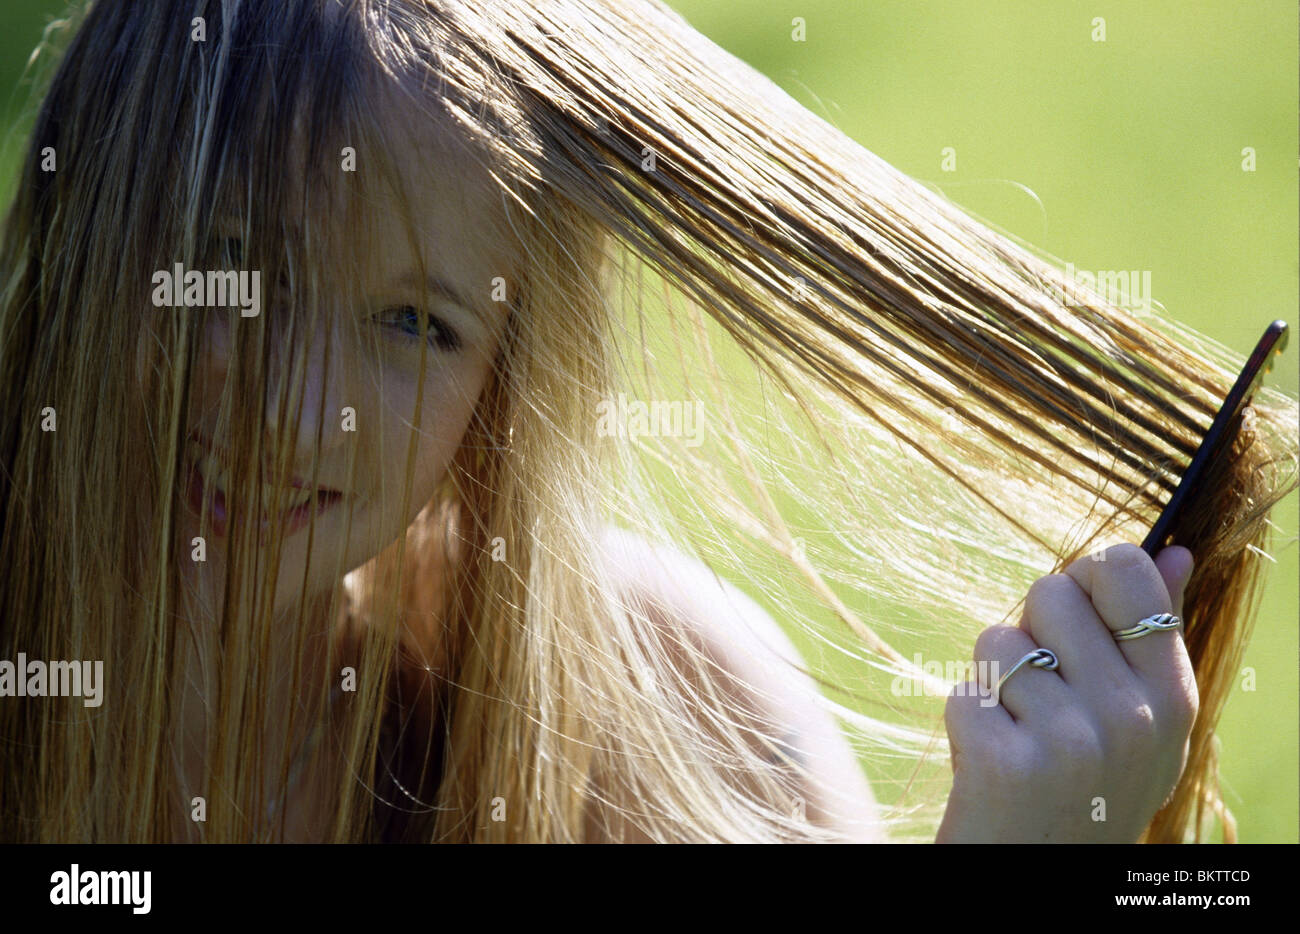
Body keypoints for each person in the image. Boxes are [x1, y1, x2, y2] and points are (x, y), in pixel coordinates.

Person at [0, 0, 1294, 843]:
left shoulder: (675, 725)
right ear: (87, 221)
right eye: (232, 264)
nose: (292, 409)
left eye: (415, 325)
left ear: (504, 381)